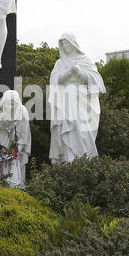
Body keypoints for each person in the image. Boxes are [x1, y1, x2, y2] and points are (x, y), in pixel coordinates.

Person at [48, 33, 105, 163]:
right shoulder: (59, 63)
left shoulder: (85, 60)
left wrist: (80, 72)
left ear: (73, 43)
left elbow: (96, 82)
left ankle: (82, 161)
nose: (65, 46)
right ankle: (68, 162)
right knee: (67, 130)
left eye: (67, 43)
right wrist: (68, 72)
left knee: (81, 130)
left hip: (83, 102)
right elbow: (54, 81)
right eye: (63, 44)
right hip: (65, 102)